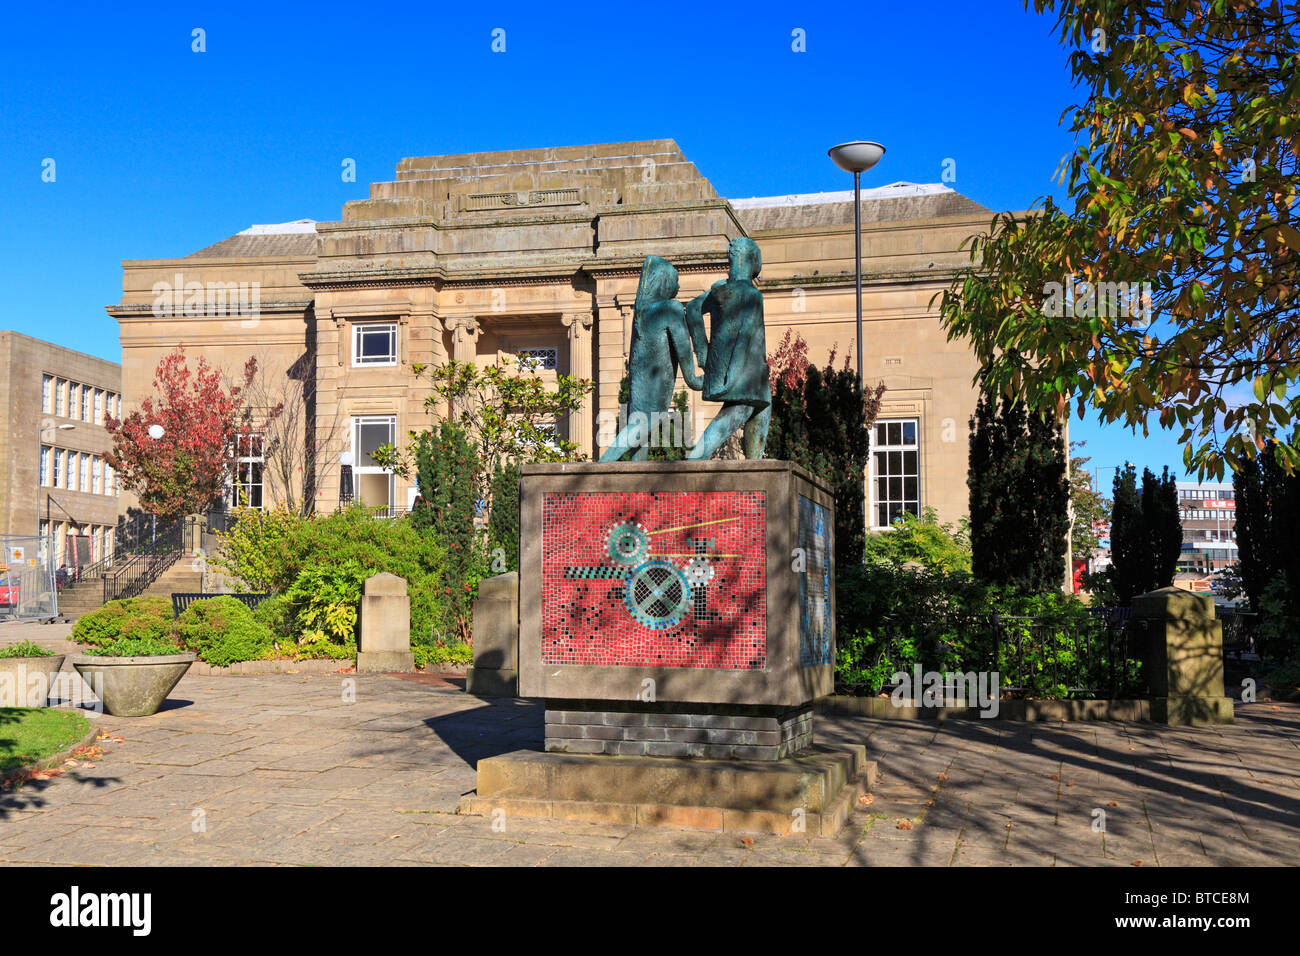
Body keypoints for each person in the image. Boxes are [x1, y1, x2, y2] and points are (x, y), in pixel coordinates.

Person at [600, 255, 703, 461]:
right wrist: (692, 378)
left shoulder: (642, 311)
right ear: (663, 280)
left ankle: (637, 485)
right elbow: (683, 347)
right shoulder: (669, 308)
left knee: (641, 432)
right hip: (655, 381)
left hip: (641, 378)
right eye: (675, 280)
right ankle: (601, 466)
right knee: (643, 425)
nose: (679, 285)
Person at [685, 236, 772, 459]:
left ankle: (755, 465)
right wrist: (732, 376)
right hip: (744, 370)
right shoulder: (752, 295)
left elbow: (693, 309)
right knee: (741, 410)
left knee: (762, 408)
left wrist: (703, 352)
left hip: (736, 369)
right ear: (753, 262)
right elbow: (744, 337)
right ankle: (695, 459)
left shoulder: (719, 291)